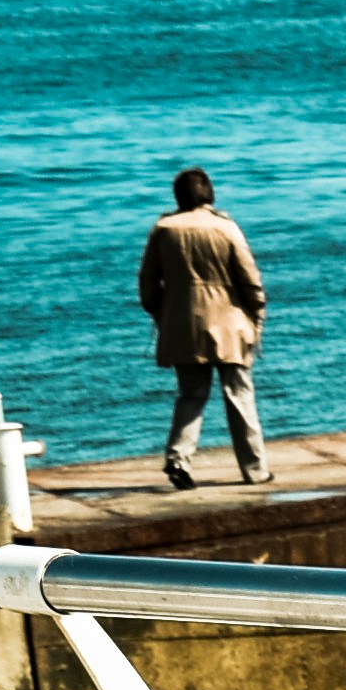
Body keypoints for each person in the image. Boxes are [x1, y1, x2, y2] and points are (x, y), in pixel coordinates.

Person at [136, 166, 268, 489]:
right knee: (239, 394)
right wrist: (256, 314)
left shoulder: (164, 229)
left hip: (182, 323)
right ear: (209, 192)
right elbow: (250, 280)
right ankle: (254, 468)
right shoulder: (226, 228)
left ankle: (178, 459)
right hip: (229, 322)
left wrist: (161, 312)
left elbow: (148, 282)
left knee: (191, 395)